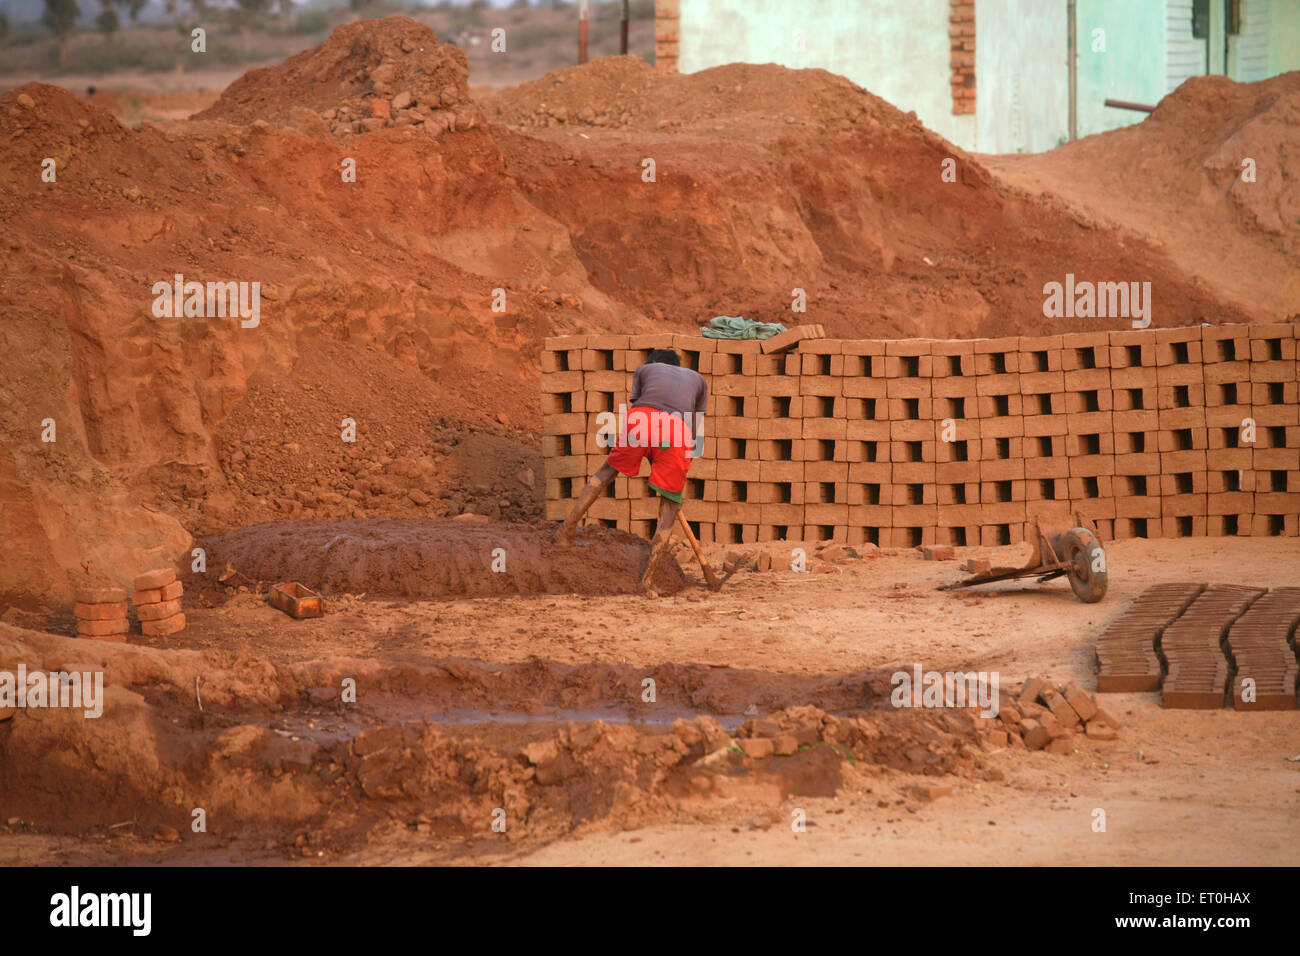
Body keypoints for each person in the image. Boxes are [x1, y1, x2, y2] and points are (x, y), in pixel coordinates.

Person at [554, 348, 709, 593]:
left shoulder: (645, 369)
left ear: (654, 363)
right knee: (669, 507)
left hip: (641, 419)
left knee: (606, 472)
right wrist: (673, 475)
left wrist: (648, 448)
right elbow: (694, 424)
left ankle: (565, 532)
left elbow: (641, 408)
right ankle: (647, 581)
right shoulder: (699, 380)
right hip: (678, 430)